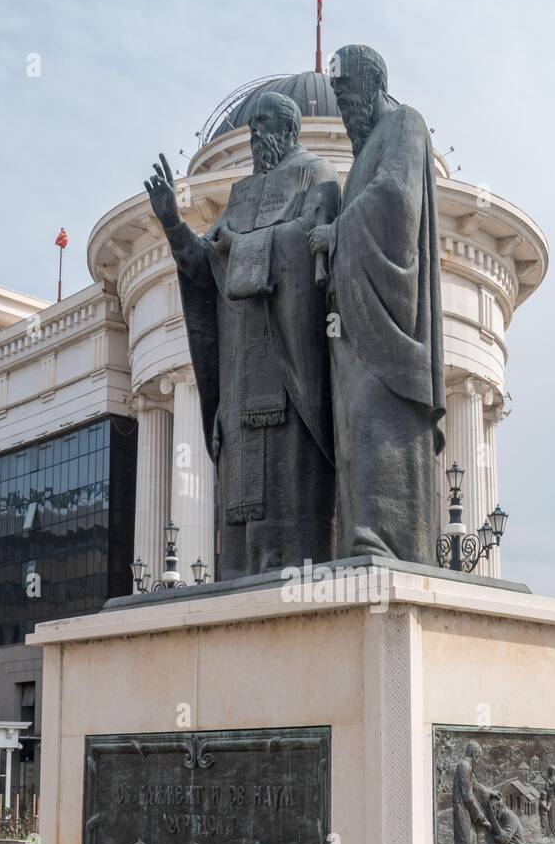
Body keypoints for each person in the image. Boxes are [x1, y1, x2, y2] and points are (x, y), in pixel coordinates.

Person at [145, 92, 339, 578]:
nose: (254, 135)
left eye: (263, 125)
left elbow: (308, 249)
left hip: (287, 368)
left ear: (288, 129)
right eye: (251, 127)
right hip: (238, 375)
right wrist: (172, 221)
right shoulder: (240, 194)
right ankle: (238, 582)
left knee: (289, 492)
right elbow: (200, 265)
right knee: (240, 502)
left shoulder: (316, 176)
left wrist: (241, 247)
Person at [308, 44, 445, 563]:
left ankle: (390, 540)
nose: (342, 110)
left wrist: (337, 232)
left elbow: (396, 200)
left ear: (370, 84)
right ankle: (364, 539)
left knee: (373, 417)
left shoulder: (406, 124)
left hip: (391, 323)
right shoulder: (364, 153)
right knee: (351, 431)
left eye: (345, 96)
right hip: (357, 323)